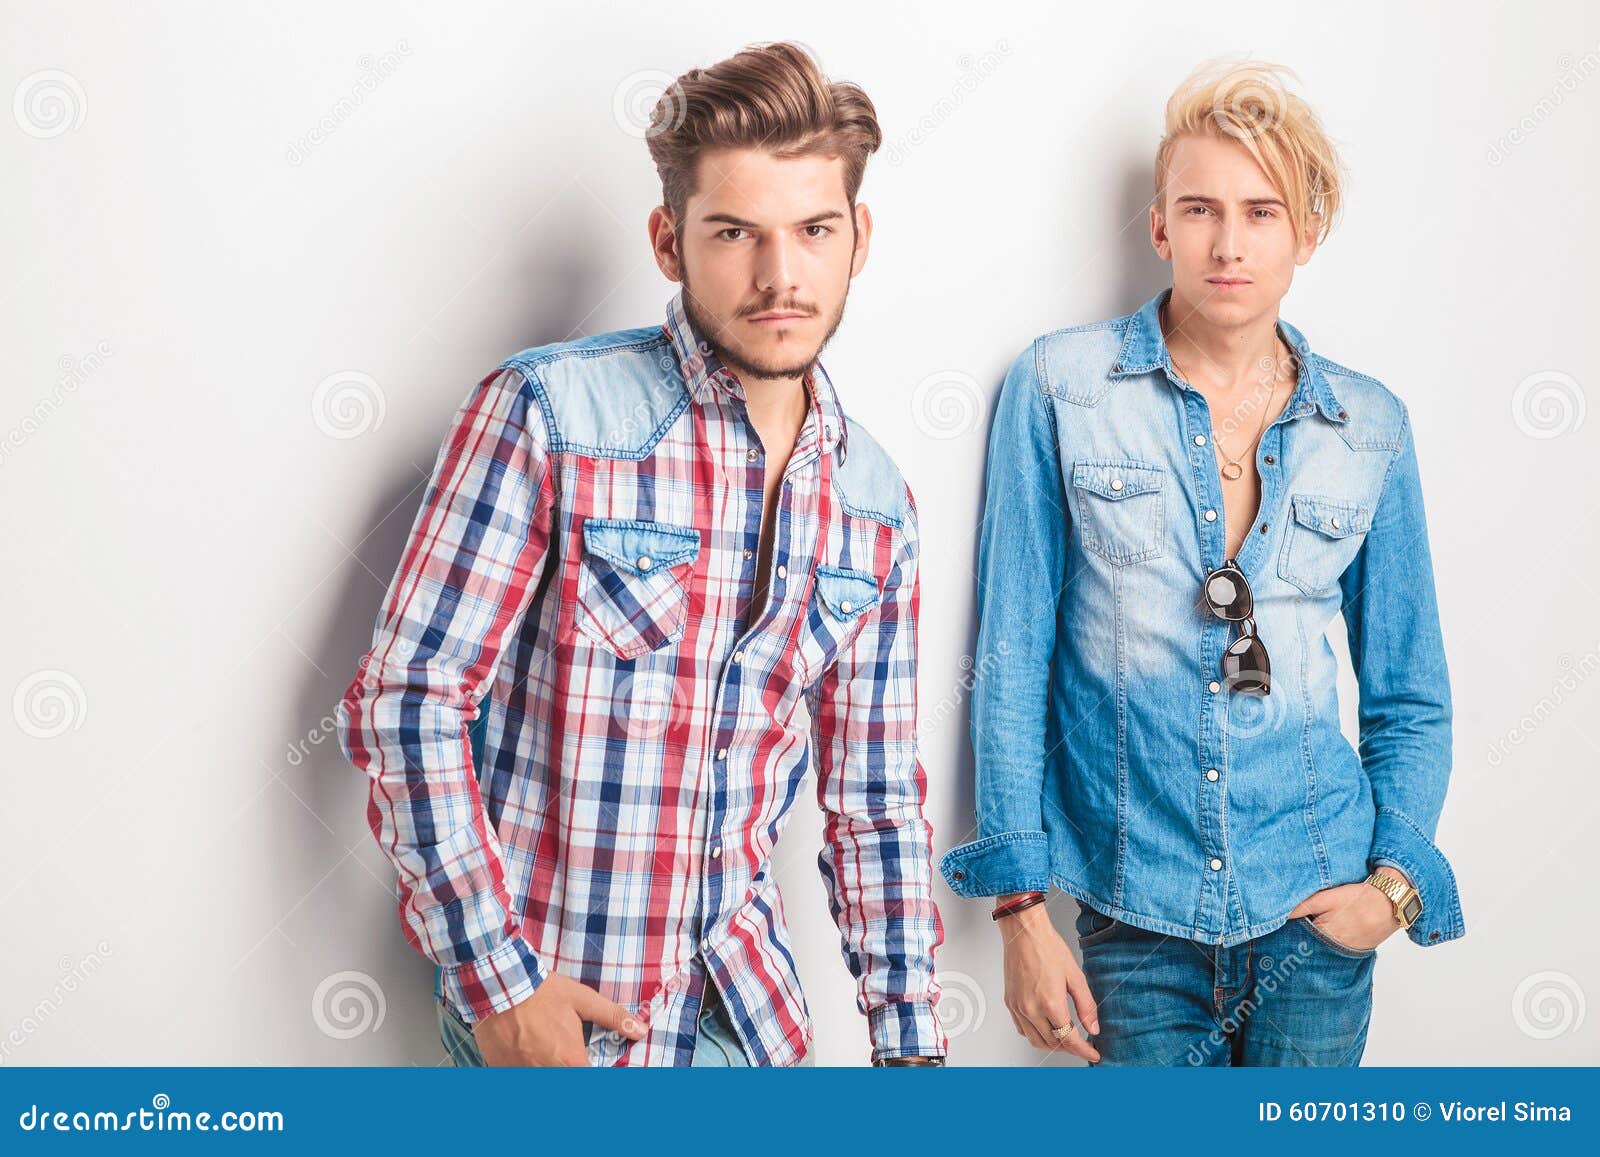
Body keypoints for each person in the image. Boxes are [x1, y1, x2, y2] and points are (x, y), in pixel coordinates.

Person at [335, 41, 947, 1068]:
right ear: (669, 240)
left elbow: (875, 803)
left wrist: (913, 1052)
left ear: (859, 237)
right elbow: (410, 699)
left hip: (746, 1027)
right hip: (561, 1023)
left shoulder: (877, 502)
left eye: (813, 230)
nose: (779, 274)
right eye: (734, 232)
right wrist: (499, 982)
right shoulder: (547, 414)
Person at [939, 60, 1462, 1066]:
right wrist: (1017, 909)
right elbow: (1012, 658)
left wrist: (1391, 887)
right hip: (1134, 916)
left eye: (1261, 211)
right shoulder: (1060, 387)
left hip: (1314, 914)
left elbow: (1411, 692)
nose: (1229, 242)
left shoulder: (1369, 427)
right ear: (1158, 227)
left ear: (1304, 233)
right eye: (1200, 208)